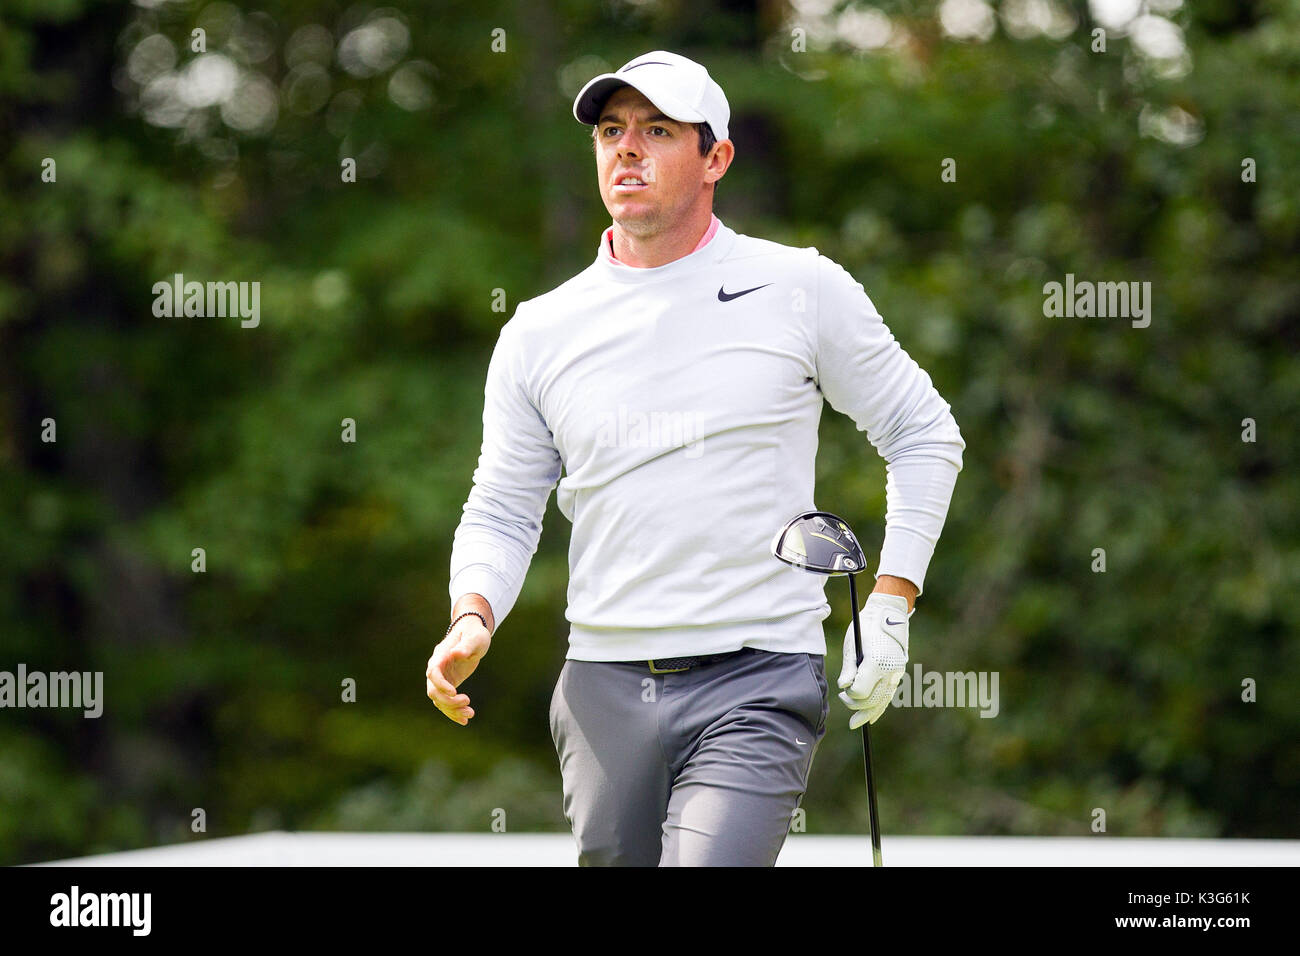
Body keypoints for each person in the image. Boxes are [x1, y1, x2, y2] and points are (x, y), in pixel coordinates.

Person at [426, 50, 964, 866]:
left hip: (758, 674)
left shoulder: (799, 287)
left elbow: (923, 432)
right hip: (602, 682)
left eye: (657, 130)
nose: (627, 149)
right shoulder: (539, 329)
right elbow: (503, 504)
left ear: (715, 158)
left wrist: (889, 606)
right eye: (612, 130)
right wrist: (473, 613)